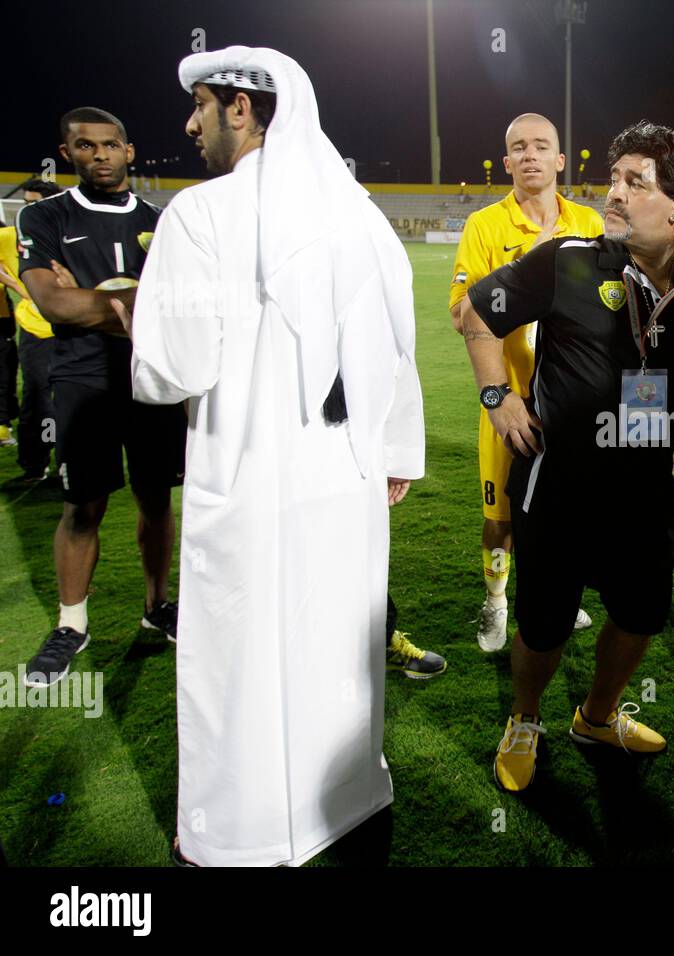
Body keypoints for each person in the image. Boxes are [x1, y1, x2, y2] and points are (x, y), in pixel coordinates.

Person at [124, 45, 426, 867]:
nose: (190, 125)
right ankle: (345, 799)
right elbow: (399, 349)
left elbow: (171, 369)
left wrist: (132, 330)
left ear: (244, 110)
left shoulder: (200, 213)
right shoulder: (359, 214)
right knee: (336, 646)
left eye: (201, 107)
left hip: (250, 475)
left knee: (240, 658)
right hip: (348, 475)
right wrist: (396, 450)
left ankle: (241, 830)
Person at [461, 120, 674, 793]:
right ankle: (526, 717)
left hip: (644, 488)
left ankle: (598, 714)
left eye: (634, 182)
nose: (613, 193)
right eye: (614, 178)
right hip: (557, 483)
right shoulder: (567, 259)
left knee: (642, 613)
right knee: (544, 622)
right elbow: (475, 314)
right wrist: (499, 395)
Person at [15, 107, 178, 686]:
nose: (100, 155)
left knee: (156, 498)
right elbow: (52, 305)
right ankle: (72, 624)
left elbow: (187, 308)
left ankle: (158, 606)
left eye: (111, 145)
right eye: (85, 146)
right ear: (67, 154)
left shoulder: (167, 221)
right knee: (83, 505)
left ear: (129, 152)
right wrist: (144, 305)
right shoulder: (42, 216)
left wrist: (92, 301)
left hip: (154, 379)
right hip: (82, 380)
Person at [449, 113, 604, 652]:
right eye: (519, 147)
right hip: (510, 402)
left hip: (574, 410)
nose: (530, 155)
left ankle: (557, 592)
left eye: (542, 146)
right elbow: (462, 312)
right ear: (508, 161)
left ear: (561, 160)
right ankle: (495, 600)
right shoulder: (485, 227)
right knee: (501, 519)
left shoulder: (591, 224)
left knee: (567, 513)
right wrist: (530, 278)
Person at [0, 178, 62, 480]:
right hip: (35, 331)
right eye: (24, 204)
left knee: (72, 399)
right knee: (36, 399)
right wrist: (14, 283)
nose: (27, 210)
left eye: (33, 204)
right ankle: (34, 465)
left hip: (70, 327)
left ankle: (68, 463)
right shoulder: (11, 236)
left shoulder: (68, 231)